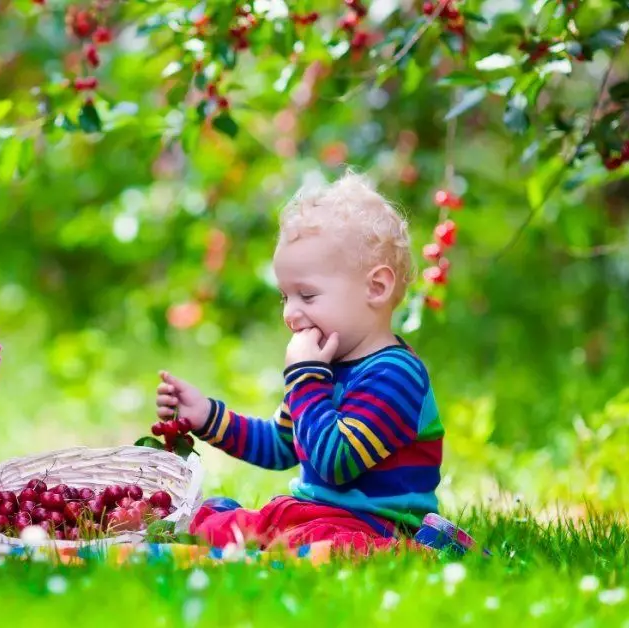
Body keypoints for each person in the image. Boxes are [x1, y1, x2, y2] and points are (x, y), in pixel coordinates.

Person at [155, 171, 446, 555]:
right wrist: (208, 416)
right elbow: (280, 446)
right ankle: (231, 524)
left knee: (305, 538)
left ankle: (242, 530)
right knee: (277, 524)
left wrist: (306, 379)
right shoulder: (323, 367)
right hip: (314, 516)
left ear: (375, 288)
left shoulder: (395, 374)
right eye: (285, 297)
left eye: (307, 296)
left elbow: (335, 463)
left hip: (378, 527)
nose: (291, 314)